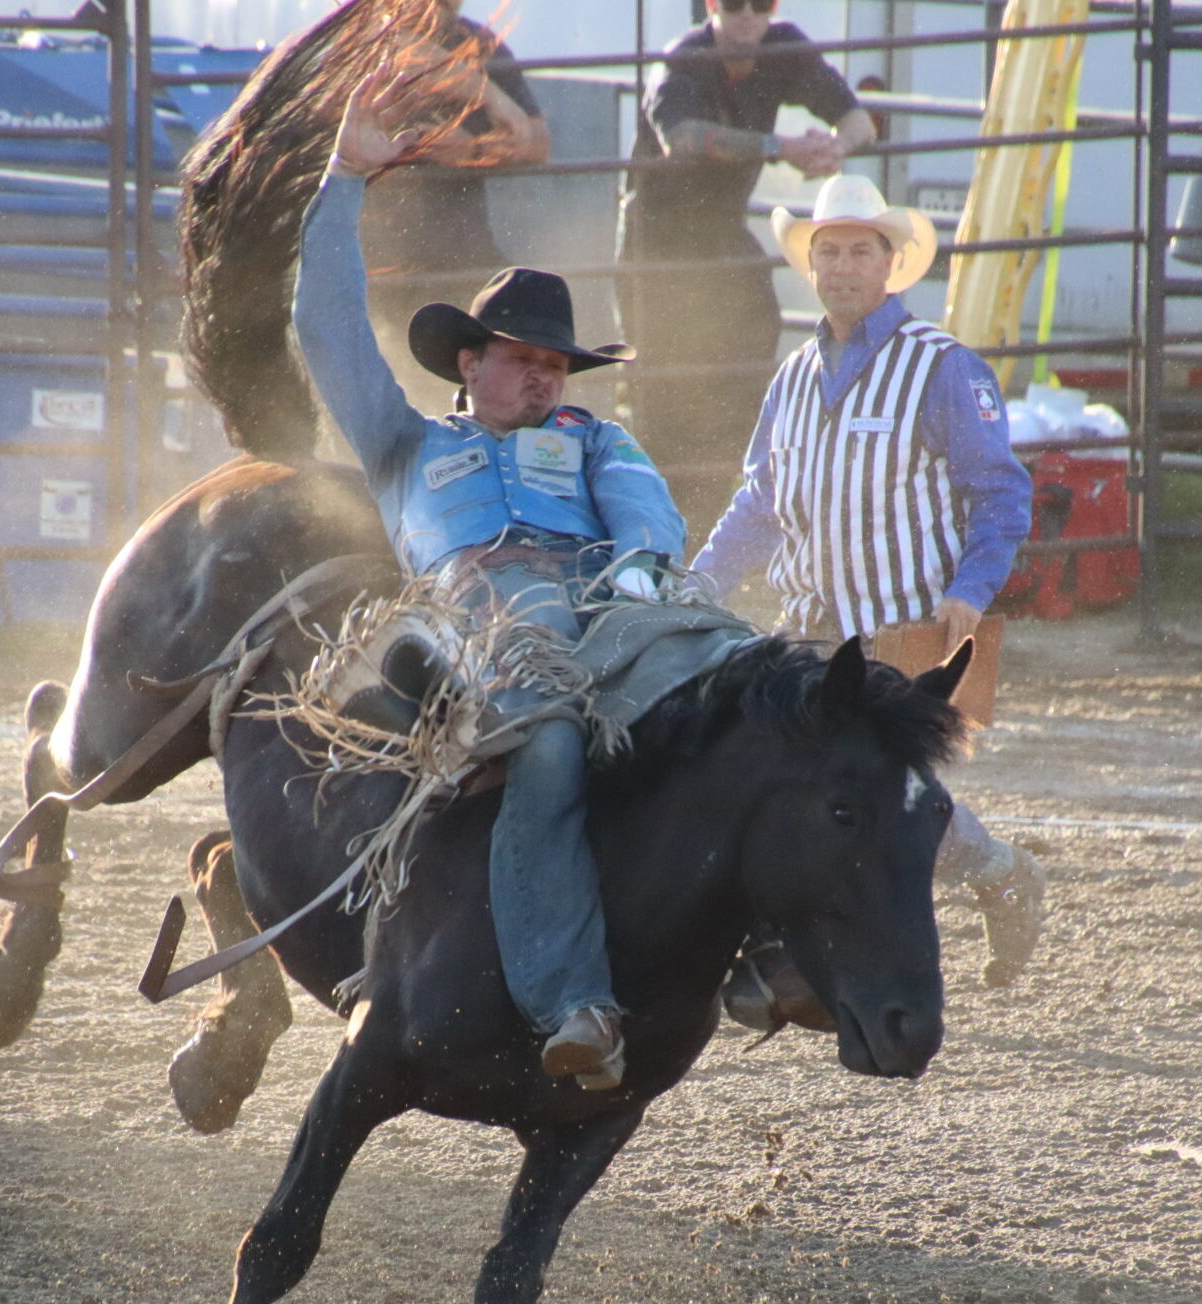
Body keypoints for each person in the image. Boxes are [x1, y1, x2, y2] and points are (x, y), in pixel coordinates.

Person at [291, 71, 688, 1090]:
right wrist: (343, 180)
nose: (547, 376)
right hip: (481, 613)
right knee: (550, 743)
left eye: (558, 363)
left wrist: (644, 571)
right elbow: (331, 329)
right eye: (523, 358)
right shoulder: (404, 444)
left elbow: (644, 507)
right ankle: (573, 1004)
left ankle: (785, 949)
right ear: (467, 361)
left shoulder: (595, 437)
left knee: (748, 691)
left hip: (610, 601)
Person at [692, 173, 1047, 991]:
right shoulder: (789, 378)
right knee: (810, 783)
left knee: (874, 791)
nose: (844, 266)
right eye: (830, 251)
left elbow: (1000, 490)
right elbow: (760, 502)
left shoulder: (943, 368)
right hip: (811, 622)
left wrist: (973, 586)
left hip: (903, 628)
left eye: (860, 250)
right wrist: (704, 580)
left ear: (891, 265)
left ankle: (988, 874)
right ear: (810, 267)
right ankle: (971, 882)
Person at [618, 0, 876, 525]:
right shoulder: (684, 59)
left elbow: (858, 120)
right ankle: (657, 518)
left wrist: (833, 147)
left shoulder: (783, 47)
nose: (746, 16)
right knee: (664, 379)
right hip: (659, 238)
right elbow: (682, 138)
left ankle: (714, 501)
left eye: (760, 5)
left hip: (721, 231)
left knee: (755, 338)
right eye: (734, 4)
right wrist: (781, 147)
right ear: (712, 5)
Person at [361, 1, 549, 405]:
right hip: (379, 263)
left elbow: (535, 141)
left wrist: (471, 149)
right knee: (387, 387)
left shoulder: (478, 42)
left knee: (492, 375)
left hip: (463, 253)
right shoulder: (361, 39)